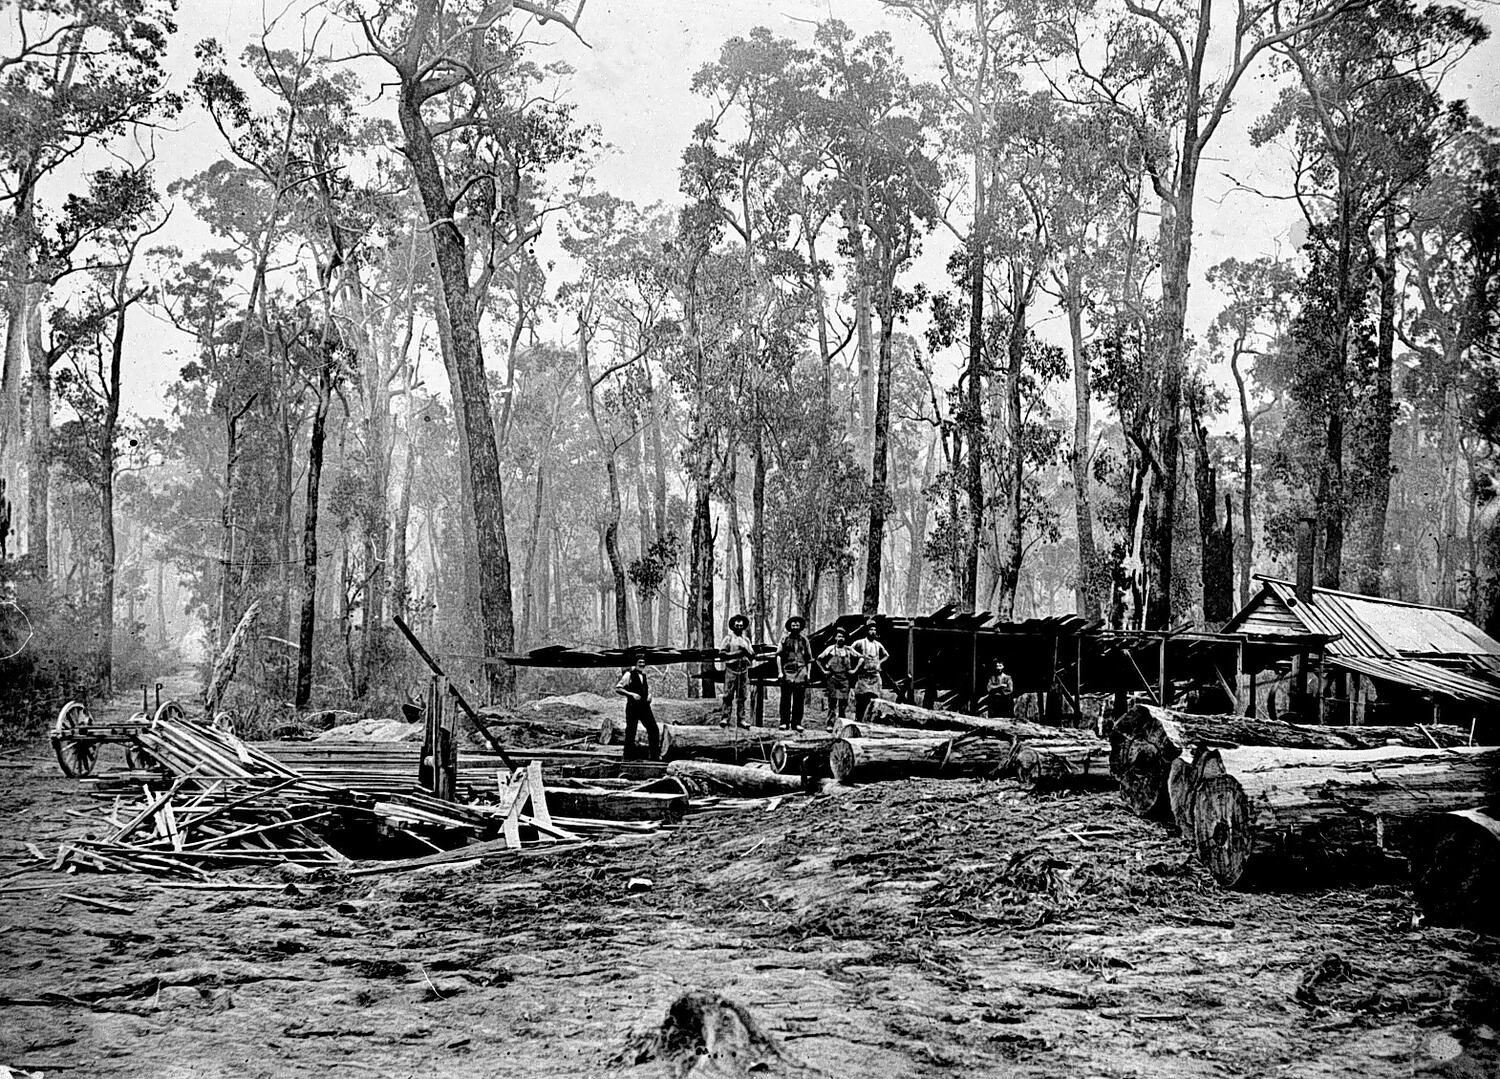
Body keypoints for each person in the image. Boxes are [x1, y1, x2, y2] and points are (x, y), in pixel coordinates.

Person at [614, 653, 660, 761]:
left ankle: (654, 757)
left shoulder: (644, 676)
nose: (642, 665)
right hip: (632, 707)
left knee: (653, 729)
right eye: (640, 663)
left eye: (643, 663)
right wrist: (631, 694)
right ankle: (628, 758)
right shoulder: (628, 675)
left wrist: (649, 696)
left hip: (644, 708)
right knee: (631, 732)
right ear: (635, 664)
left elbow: (644, 690)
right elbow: (618, 688)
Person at [776, 615, 813, 731]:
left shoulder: (804, 640)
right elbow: (778, 656)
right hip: (787, 671)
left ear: (800, 626)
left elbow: (809, 659)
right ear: (790, 626)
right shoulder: (784, 639)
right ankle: (784, 722)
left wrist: (809, 674)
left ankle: (796, 723)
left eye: (797, 625)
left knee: (799, 699)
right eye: (793, 624)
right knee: (785, 698)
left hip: (801, 671)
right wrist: (780, 672)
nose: (795, 626)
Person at [718, 613, 755, 728]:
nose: (739, 627)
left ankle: (741, 720)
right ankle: (725, 718)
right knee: (728, 695)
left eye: (741, 625)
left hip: (743, 670)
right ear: (733, 626)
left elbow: (752, 655)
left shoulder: (746, 640)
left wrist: (745, 651)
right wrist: (735, 654)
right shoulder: (728, 638)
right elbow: (722, 654)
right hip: (731, 670)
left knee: (742, 696)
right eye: (737, 625)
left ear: (743, 627)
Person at [816, 628, 856, 730]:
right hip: (832, 678)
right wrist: (824, 671)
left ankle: (842, 724)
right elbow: (818, 659)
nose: (841, 638)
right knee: (832, 702)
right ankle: (830, 723)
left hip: (844, 678)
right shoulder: (830, 649)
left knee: (843, 703)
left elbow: (861, 657)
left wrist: (854, 670)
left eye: (842, 637)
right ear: (835, 638)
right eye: (839, 636)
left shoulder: (848, 650)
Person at [851, 621, 889, 723]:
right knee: (861, 698)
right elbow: (851, 648)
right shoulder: (861, 642)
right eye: (871, 630)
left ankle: (872, 720)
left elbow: (886, 655)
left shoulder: (878, 644)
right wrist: (859, 656)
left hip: (875, 675)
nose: (872, 632)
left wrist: (879, 662)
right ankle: (858, 719)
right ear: (867, 631)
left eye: (874, 630)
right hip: (864, 675)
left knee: (875, 698)